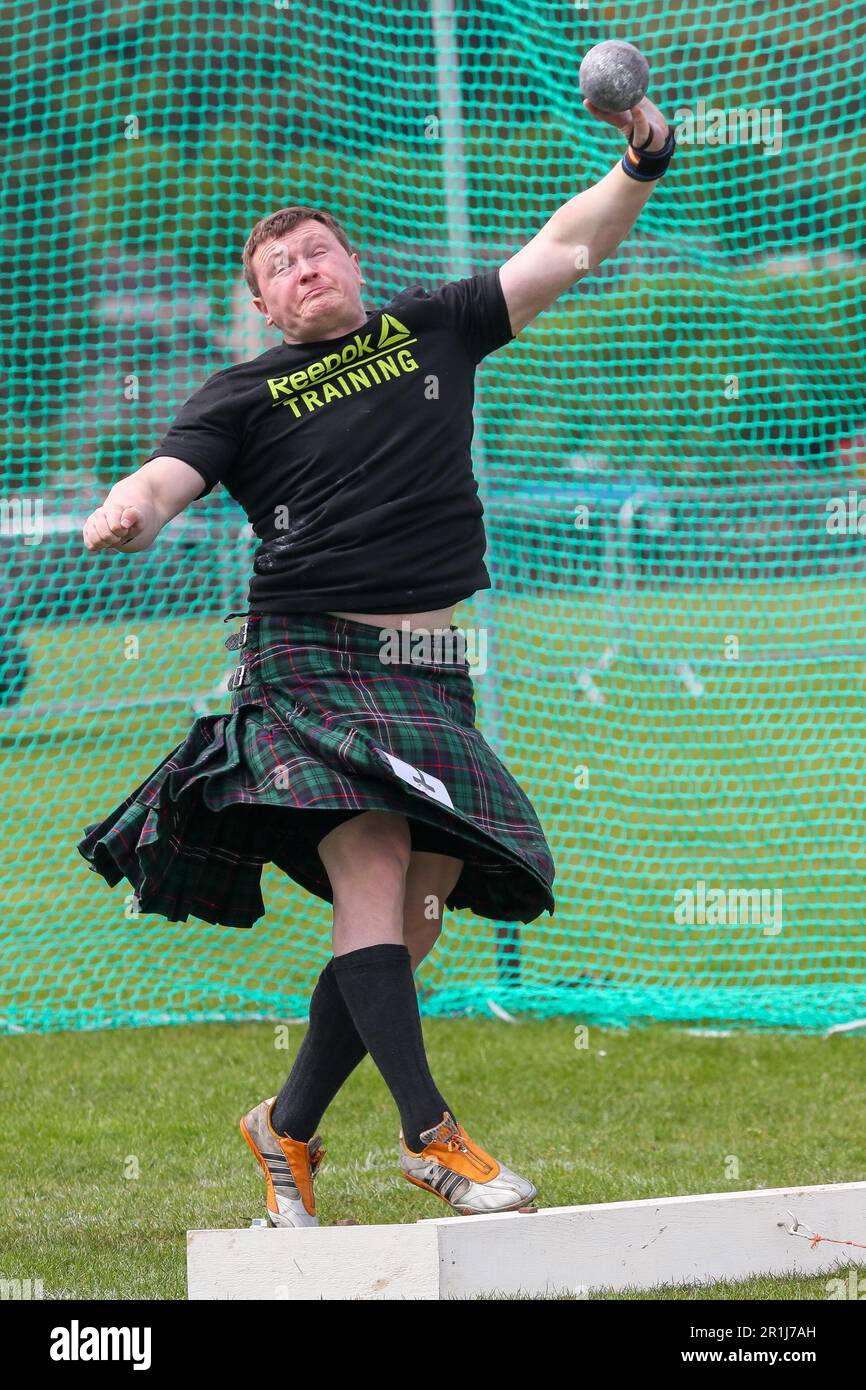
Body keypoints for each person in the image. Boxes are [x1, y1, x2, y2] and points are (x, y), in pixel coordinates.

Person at [78, 95, 675, 1226]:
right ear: (261, 305)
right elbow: (162, 479)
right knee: (374, 859)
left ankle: (285, 1129)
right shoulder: (241, 395)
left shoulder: (432, 326)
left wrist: (642, 158)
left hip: (431, 668)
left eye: (316, 252)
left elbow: (567, 246)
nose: (304, 270)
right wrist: (125, 512)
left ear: (352, 262)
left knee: (417, 916)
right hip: (309, 656)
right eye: (280, 270)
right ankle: (428, 1137)